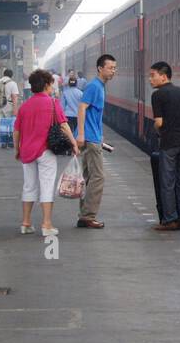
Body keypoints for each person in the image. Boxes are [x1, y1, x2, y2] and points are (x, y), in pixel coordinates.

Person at [14, 69, 79, 237]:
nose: (53, 86)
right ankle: (46, 224)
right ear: (46, 85)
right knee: (47, 186)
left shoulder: (25, 106)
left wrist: (17, 149)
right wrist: (73, 143)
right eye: (51, 83)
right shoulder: (52, 103)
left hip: (27, 151)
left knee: (29, 186)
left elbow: (16, 131)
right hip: (45, 151)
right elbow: (64, 125)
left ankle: (26, 223)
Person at [148, 62, 180, 231]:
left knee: (167, 182)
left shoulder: (158, 95)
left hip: (170, 143)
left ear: (163, 76)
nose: (150, 79)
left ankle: (170, 220)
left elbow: (159, 122)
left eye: (153, 75)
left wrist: (154, 128)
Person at [73, 54, 116, 229]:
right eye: (110, 68)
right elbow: (82, 108)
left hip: (93, 136)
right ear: (100, 68)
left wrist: (100, 134)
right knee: (98, 177)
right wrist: (81, 134)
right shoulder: (94, 86)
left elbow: (95, 115)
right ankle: (88, 216)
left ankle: (84, 215)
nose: (113, 71)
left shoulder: (99, 86)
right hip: (89, 139)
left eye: (115, 68)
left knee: (88, 177)